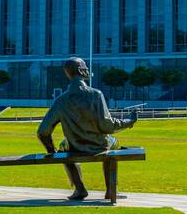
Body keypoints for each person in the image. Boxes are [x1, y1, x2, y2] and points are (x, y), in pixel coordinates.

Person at [37, 57, 136, 200]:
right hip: (99, 146)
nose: (88, 69)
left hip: (74, 148)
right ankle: (111, 189)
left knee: (63, 147)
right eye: (85, 66)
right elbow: (107, 126)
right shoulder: (96, 94)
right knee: (113, 142)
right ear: (80, 70)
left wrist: (51, 151)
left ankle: (80, 189)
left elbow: (42, 132)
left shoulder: (61, 100)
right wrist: (129, 121)